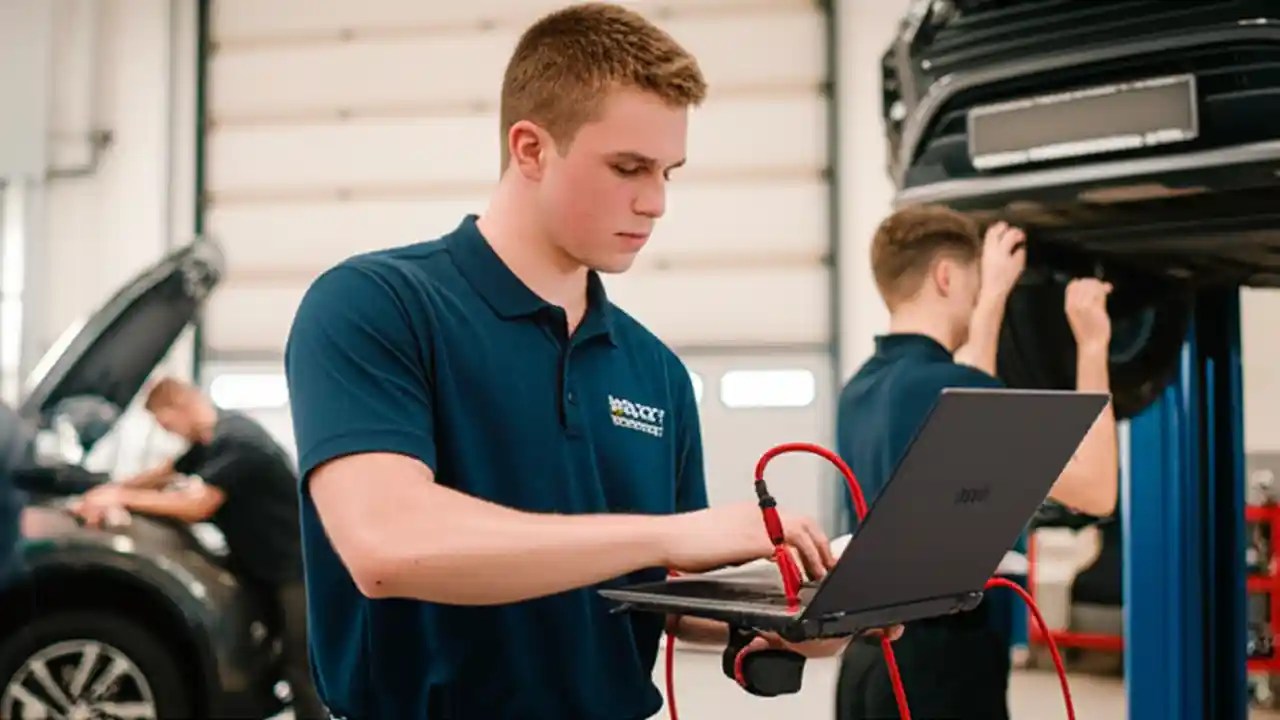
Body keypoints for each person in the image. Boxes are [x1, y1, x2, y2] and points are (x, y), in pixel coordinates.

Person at [282, 4, 900, 719]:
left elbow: (652, 587)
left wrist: (795, 616)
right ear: (531, 149)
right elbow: (387, 543)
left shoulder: (654, 372)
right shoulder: (375, 306)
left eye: (670, 170)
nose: (658, 201)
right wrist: (673, 533)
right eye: (628, 168)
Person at [833, 205, 1119, 720]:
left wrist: (991, 300)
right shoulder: (953, 393)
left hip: (869, 665)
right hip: (944, 675)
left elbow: (970, 409)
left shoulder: (860, 390)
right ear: (946, 277)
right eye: (973, 280)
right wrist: (1093, 344)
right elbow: (1097, 490)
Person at [72, 377, 328, 719]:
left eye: (165, 424)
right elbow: (164, 474)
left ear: (180, 406)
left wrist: (120, 498)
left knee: (301, 669)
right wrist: (103, 491)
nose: (168, 433)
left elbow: (196, 506)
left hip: (297, 570)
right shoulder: (211, 442)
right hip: (263, 568)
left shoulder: (238, 441)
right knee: (265, 665)